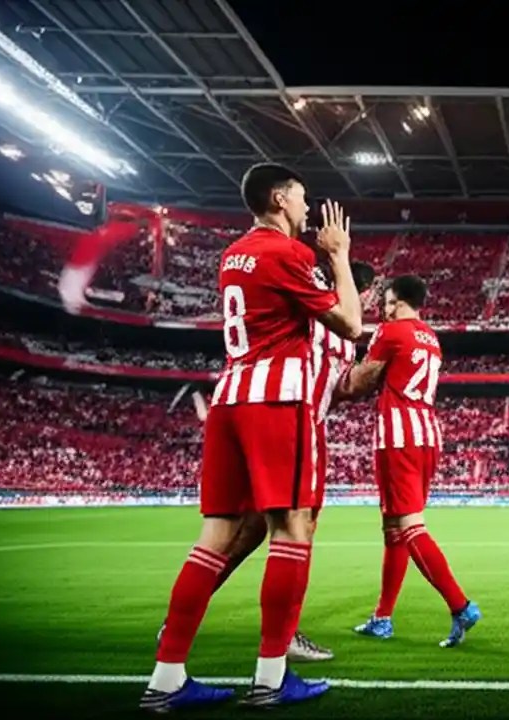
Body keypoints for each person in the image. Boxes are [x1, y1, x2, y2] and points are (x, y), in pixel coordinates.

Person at [141, 164, 363, 711]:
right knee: (292, 530)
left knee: (214, 537)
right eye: (304, 199)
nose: (310, 211)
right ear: (280, 197)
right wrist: (336, 256)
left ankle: (165, 679)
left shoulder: (232, 253)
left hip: (229, 397)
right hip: (278, 399)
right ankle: (271, 678)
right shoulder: (287, 254)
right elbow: (352, 325)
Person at [157, 260, 377, 664]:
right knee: (294, 527)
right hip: (286, 416)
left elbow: (338, 382)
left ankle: (180, 626)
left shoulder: (342, 335)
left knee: (250, 530)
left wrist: (372, 373)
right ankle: (280, 643)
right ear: (365, 292)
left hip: (295, 417)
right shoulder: (320, 308)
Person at [342, 275, 482, 647]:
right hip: (426, 431)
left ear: (398, 301)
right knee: (394, 530)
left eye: (387, 302)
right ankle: (383, 617)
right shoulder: (431, 338)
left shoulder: (391, 331)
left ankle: (460, 605)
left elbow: (360, 382)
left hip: (398, 434)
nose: (383, 309)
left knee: (409, 527)